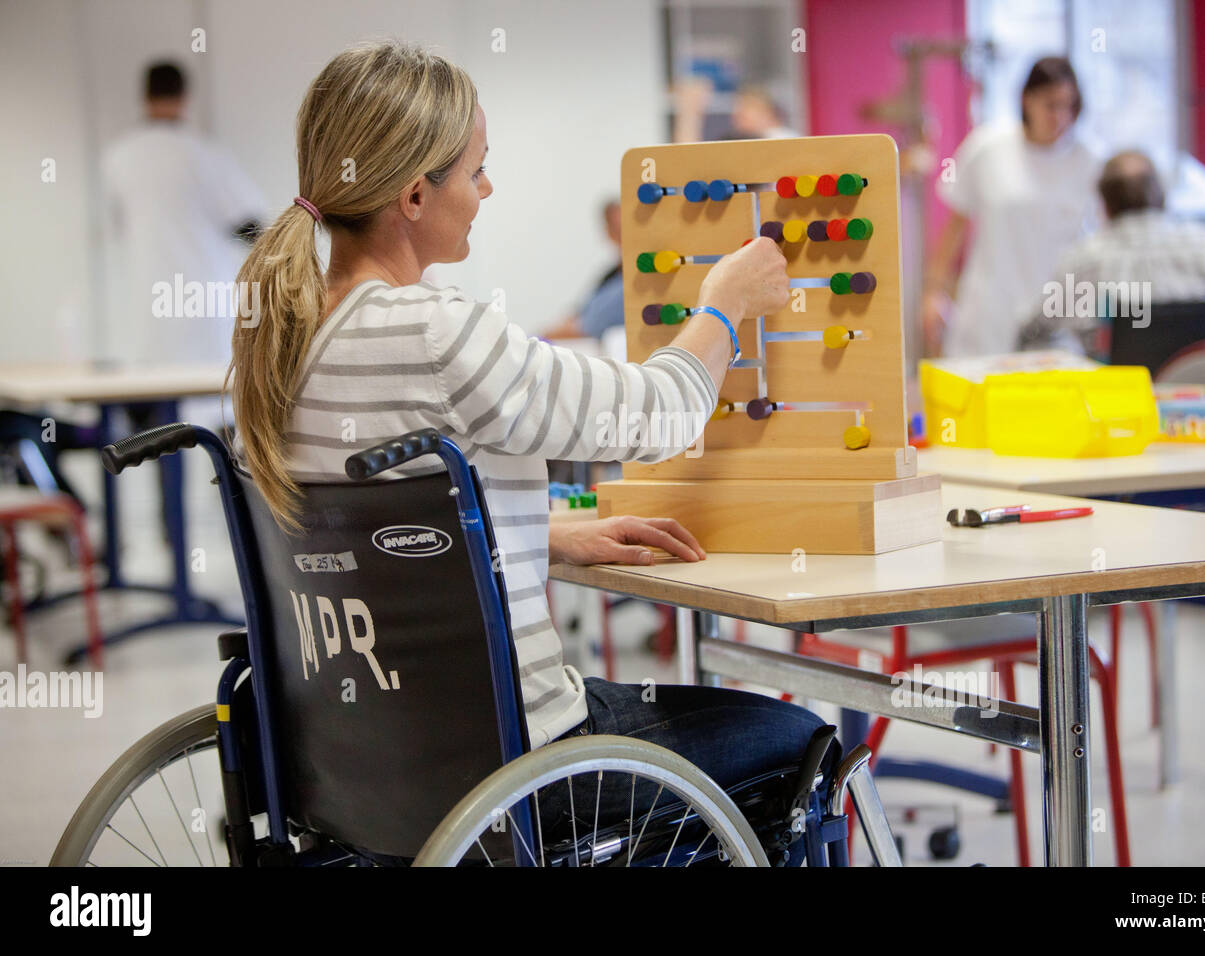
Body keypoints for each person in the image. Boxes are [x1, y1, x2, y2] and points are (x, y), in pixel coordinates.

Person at [228, 40, 837, 853]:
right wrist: (722, 309)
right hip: (524, 758)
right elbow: (657, 416)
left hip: (358, 764)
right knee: (800, 738)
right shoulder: (439, 335)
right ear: (414, 193)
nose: (486, 190)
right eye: (475, 170)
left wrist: (534, 534)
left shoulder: (278, 347)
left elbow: (364, 539)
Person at [1018, 150, 1205, 357]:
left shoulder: (1084, 261)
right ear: (1162, 196)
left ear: (1105, 206)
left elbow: (1033, 334)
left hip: (1123, 415)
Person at [924, 56, 1101, 357]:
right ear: (1027, 100)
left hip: (1056, 317)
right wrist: (932, 293)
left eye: (1068, 106)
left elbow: (1100, 240)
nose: (1060, 116)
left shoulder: (1088, 160)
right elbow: (954, 226)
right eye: (1050, 105)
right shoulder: (988, 148)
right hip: (989, 313)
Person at [101, 61, 264, 368]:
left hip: (147, 304)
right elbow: (250, 227)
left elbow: (119, 227)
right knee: (207, 399)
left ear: (145, 97)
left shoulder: (118, 157)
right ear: (184, 97)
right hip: (201, 301)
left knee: (153, 396)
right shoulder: (203, 154)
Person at [541, 198, 624, 341]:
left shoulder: (625, 287)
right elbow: (577, 316)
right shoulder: (609, 278)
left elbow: (584, 328)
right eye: (618, 230)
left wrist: (540, 338)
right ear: (609, 233)